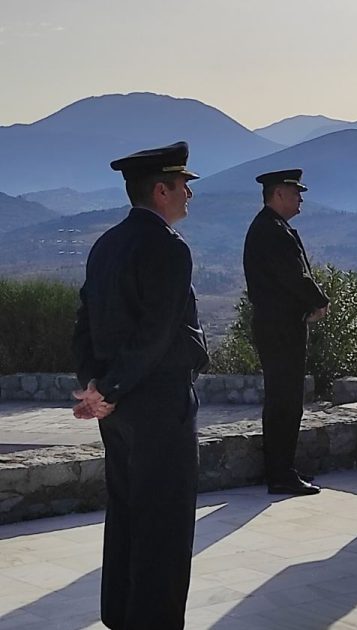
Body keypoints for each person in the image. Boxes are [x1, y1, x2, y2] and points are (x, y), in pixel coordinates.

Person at [72, 141, 209, 629]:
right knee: (165, 521)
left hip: (120, 407)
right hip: (158, 400)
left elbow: (85, 324)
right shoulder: (168, 247)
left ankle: (121, 613)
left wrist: (95, 386)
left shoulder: (106, 244)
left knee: (127, 510)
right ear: (160, 191)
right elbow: (157, 332)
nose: (189, 193)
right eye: (183, 184)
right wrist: (106, 390)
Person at [242, 168, 329, 495]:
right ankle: (281, 473)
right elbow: (294, 276)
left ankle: (281, 469)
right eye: (295, 193)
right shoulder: (272, 231)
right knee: (285, 400)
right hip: (280, 327)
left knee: (284, 397)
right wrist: (320, 301)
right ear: (278, 194)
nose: (300, 199)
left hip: (279, 325)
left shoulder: (271, 227)